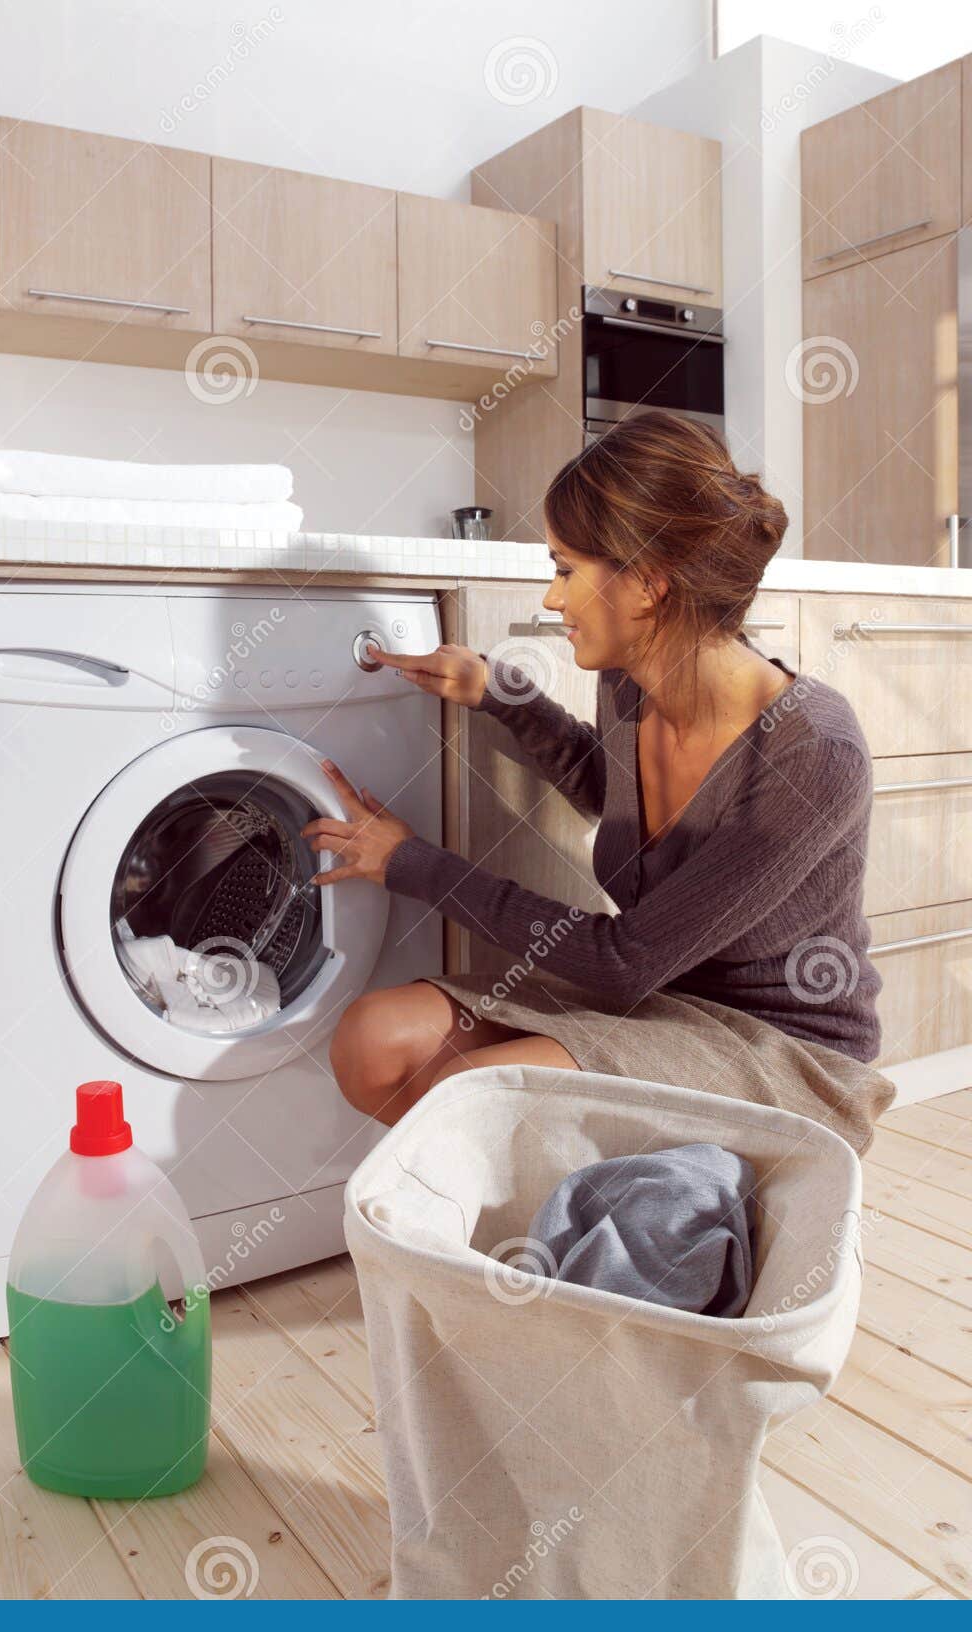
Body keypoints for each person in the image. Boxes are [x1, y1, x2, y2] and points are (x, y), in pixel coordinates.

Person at [303, 410, 895, 1154]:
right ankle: (575, 1213)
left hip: (782, 1049)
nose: (553, 600)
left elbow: (621, 965)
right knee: (374, 1042)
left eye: (564, 570)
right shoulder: (629, 681)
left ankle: (571, 1235)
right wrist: (499, 693)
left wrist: (409, 863)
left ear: (646, 585)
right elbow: (609, 786)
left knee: (469, 1100)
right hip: (663, 997)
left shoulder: (813, 751)